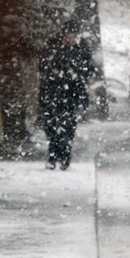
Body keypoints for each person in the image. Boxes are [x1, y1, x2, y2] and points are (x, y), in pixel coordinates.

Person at [38, 19, 95, 170]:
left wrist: (76, 73)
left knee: (69, 126)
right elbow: (43, 66)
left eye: (74, 35)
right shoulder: (53, 45)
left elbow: (90, 69)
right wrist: (55, 73)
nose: (71, 38)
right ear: (63, 34)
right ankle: (53, 154)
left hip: (73, 93)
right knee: (51, 125)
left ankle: (64, 156)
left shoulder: (83, 47)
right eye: (69, 35)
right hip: (53, 92)